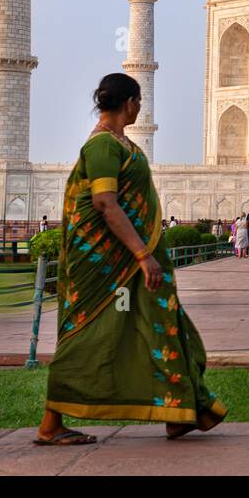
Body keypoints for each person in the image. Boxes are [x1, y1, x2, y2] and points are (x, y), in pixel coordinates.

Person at [35, 73, 226, 446]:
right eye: (139, 102)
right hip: (108, 263)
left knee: (163, 323)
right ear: (131, 103)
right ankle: (51, 421)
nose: (141, 108)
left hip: (132, 260)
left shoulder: (123, 144)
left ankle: (181, 409)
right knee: (91, 334)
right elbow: (105, 203)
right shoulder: (103, 146)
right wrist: (141, 254)